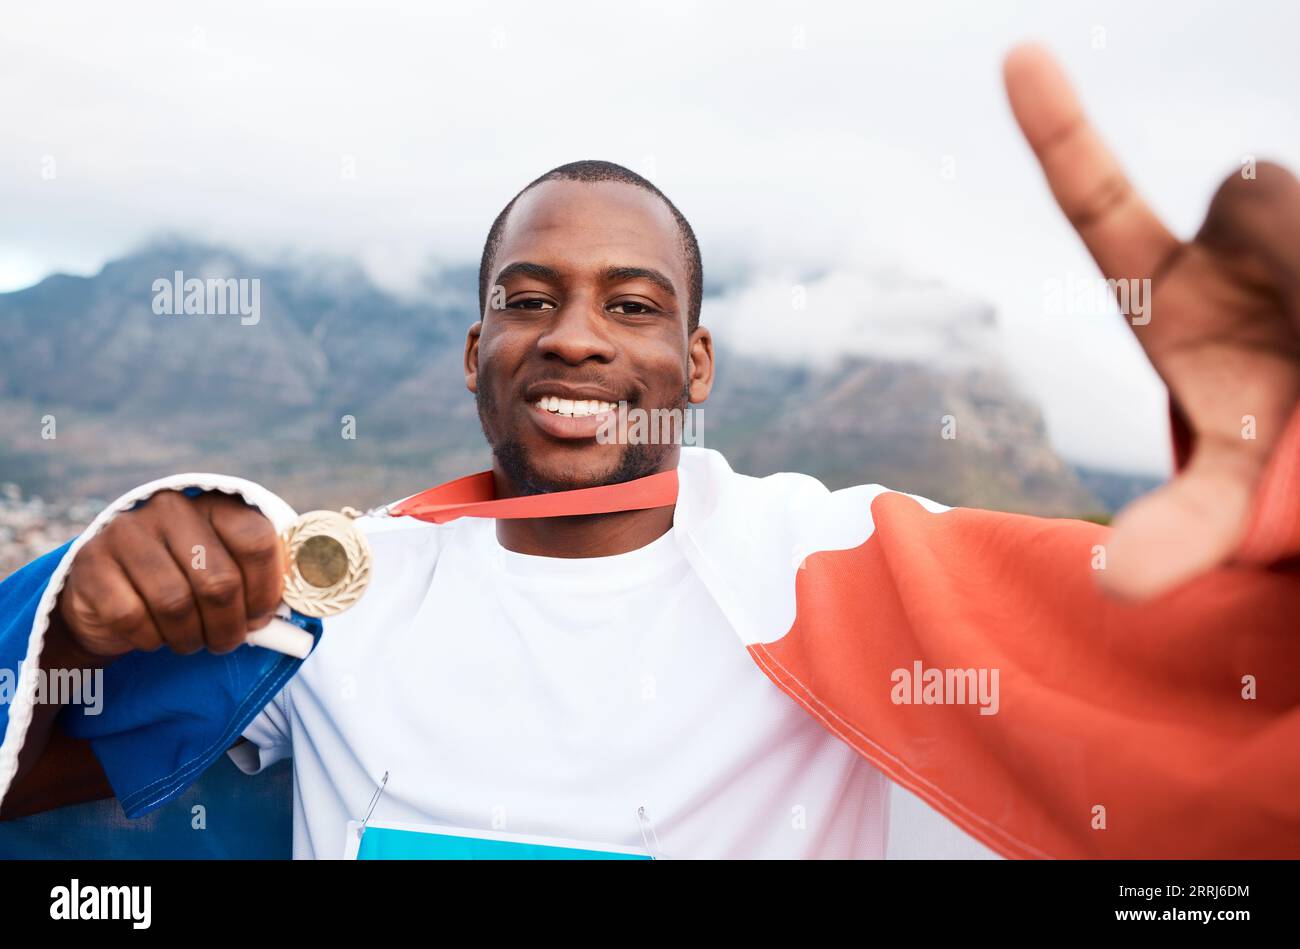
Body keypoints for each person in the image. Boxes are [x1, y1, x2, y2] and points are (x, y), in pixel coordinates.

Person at [1, 45, 1298, 859]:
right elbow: (43, 763)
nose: (575, 340)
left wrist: (1268, 443)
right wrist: (67, 620)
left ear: (698, 363)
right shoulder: (340, 587)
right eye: (528, 299)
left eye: (633, 306)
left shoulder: (855, 567)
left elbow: (1231, 695)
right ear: (471, 353)